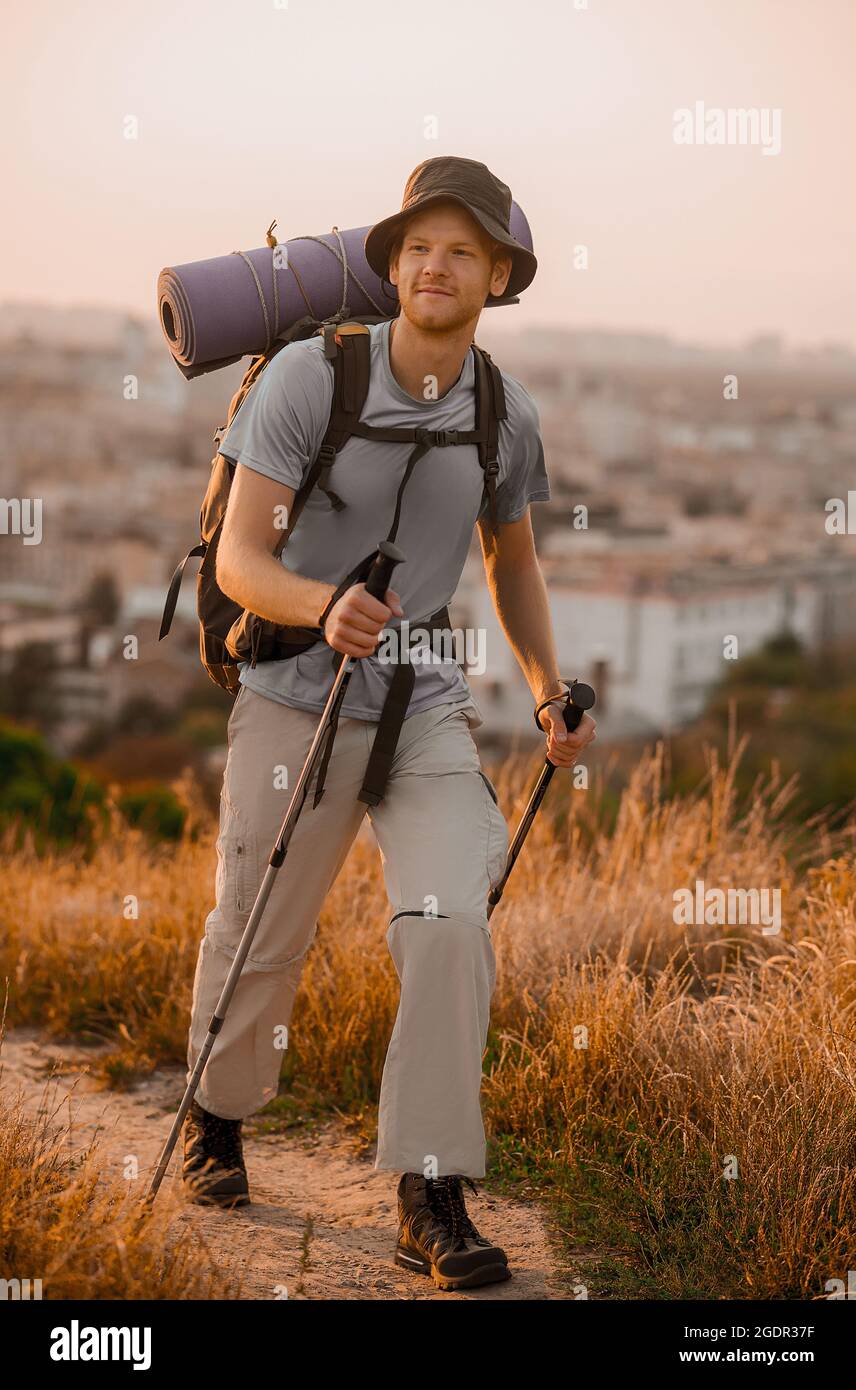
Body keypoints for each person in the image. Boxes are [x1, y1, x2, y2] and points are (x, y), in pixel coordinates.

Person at [181, 155, 597, 1292]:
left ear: (499, 276)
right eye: (418, 246)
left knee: (453, 920)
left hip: (424, 701)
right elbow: (240, 558)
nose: (435, 265)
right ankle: (218, 1118)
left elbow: (514, 564)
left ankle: (430, 1190)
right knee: (261, 926)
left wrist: (549, 689)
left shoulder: (504, 413)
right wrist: (323, 605)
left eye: (462, 250)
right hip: (291, 691)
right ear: (393, 264)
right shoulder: (311, 379)